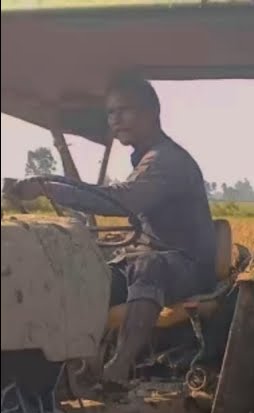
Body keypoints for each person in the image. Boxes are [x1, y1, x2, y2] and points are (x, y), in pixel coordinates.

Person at [6, 74, 216, 390]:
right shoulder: (145, 157)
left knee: (148, 265)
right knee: (88, 274)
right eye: (110, 113)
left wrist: (50, 189)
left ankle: (118, 367)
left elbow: (122, 198)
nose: (116, 120)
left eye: (125, 110)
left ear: (152, 113)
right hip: (151, 258)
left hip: (189, 264)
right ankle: (68, 367)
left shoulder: (167, 159)